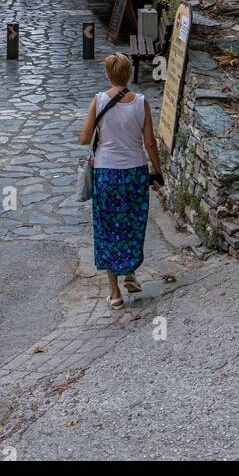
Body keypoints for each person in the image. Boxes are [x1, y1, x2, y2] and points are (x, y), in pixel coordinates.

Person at [78, 53, 164, 309]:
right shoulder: (141, 102)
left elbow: (84, 139)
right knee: (132, 223)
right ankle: (130, 273)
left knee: (107, 228)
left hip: (106, 172)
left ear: (108, 74)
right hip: (135, 172)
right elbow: (150, 142)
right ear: (129, 74)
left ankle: (114, 293)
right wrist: (158, 171)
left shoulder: (99, 100)